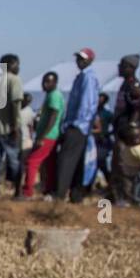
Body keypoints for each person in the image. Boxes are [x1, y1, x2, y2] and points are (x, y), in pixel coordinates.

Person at [55, 48, 100, 203]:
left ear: (89, 60)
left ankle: (59, 194)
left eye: (82, 58)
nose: (79, 61)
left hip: (78, 126)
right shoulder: (81, 77)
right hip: (77, 125)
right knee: (78, 161)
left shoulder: (88, 78)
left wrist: (76, 124)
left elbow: (87, 104)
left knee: (66, 159)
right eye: (78, 58)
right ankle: (76, 195)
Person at [0, 53, 24, 197]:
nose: (18, 67)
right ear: (12, 65)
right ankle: (18, 192)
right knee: (14, 160)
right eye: (17, 64)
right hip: (9, 128)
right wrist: (15, 125)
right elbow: (15, 102)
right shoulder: (14, 80)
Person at [22, 71, 63, 199]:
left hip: (48, 135)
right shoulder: (51, 95)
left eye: (48, 81)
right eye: (44, 81)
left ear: (55, 83)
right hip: (49, 135)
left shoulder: (54, 96)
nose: (44, 84)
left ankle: (27, 192)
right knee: (49, 164)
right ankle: (49, 189)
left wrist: (42, 136)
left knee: (32, 161)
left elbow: (53, 116)